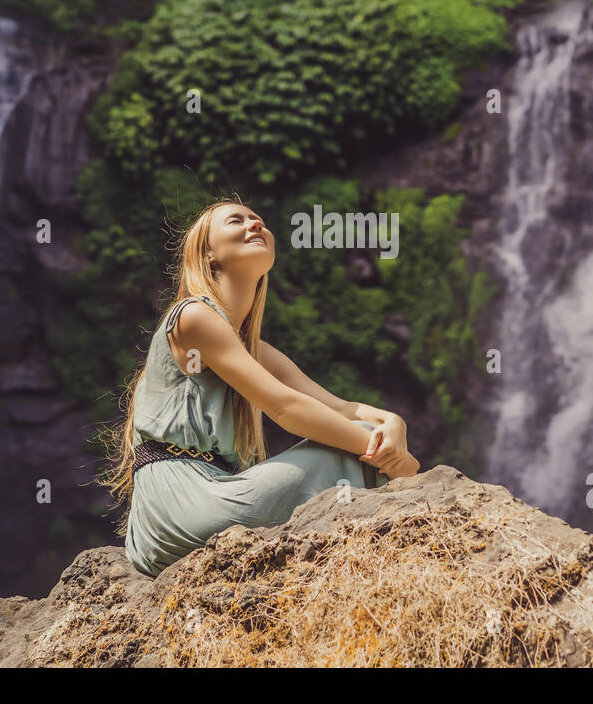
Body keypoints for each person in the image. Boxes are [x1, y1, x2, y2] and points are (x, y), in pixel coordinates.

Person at [100, 195, 421, 577]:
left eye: (258, 220)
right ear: (208, 257)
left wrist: (393, 423)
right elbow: (286, 407)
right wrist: (381, 452)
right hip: (181, 508)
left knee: (364, 438)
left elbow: (338, 407)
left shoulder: (252, 349)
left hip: (214, 493)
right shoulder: (193, 316)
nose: (255, 224)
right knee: (348, 451)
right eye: (236, 221)